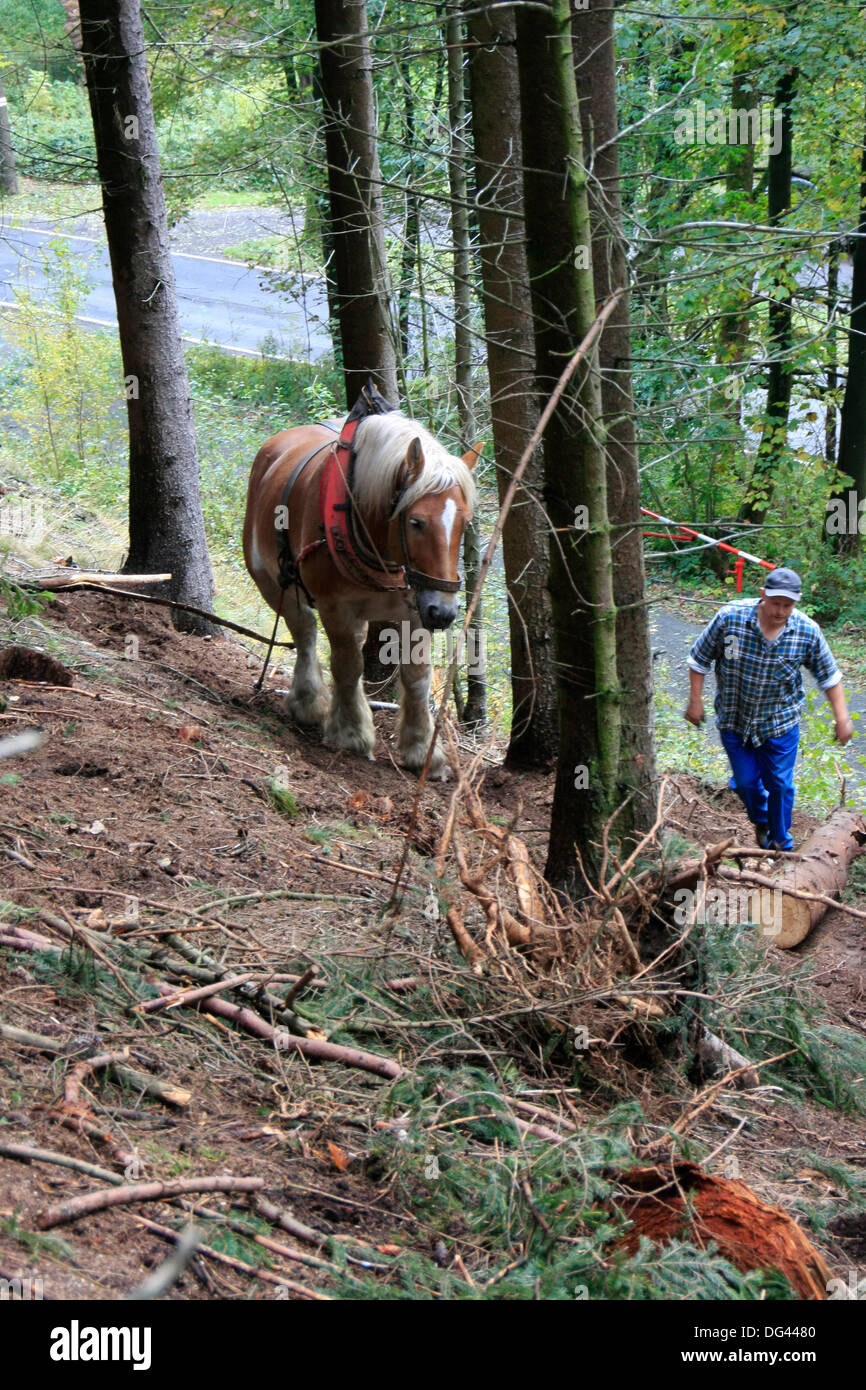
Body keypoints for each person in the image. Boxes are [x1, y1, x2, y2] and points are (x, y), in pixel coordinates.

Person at [684, 567, 854, 851]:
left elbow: (829, 677)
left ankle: (780, 843)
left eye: (788, 605)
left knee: (780, 785)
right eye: (776, 603)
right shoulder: (731, 619)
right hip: (734, 721)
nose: (780, 611)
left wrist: (842, 718)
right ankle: (762, 820)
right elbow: (699, 659)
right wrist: (695, 700)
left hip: (780, 723)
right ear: (763, 595)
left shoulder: (806, 632)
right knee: (746, 783)